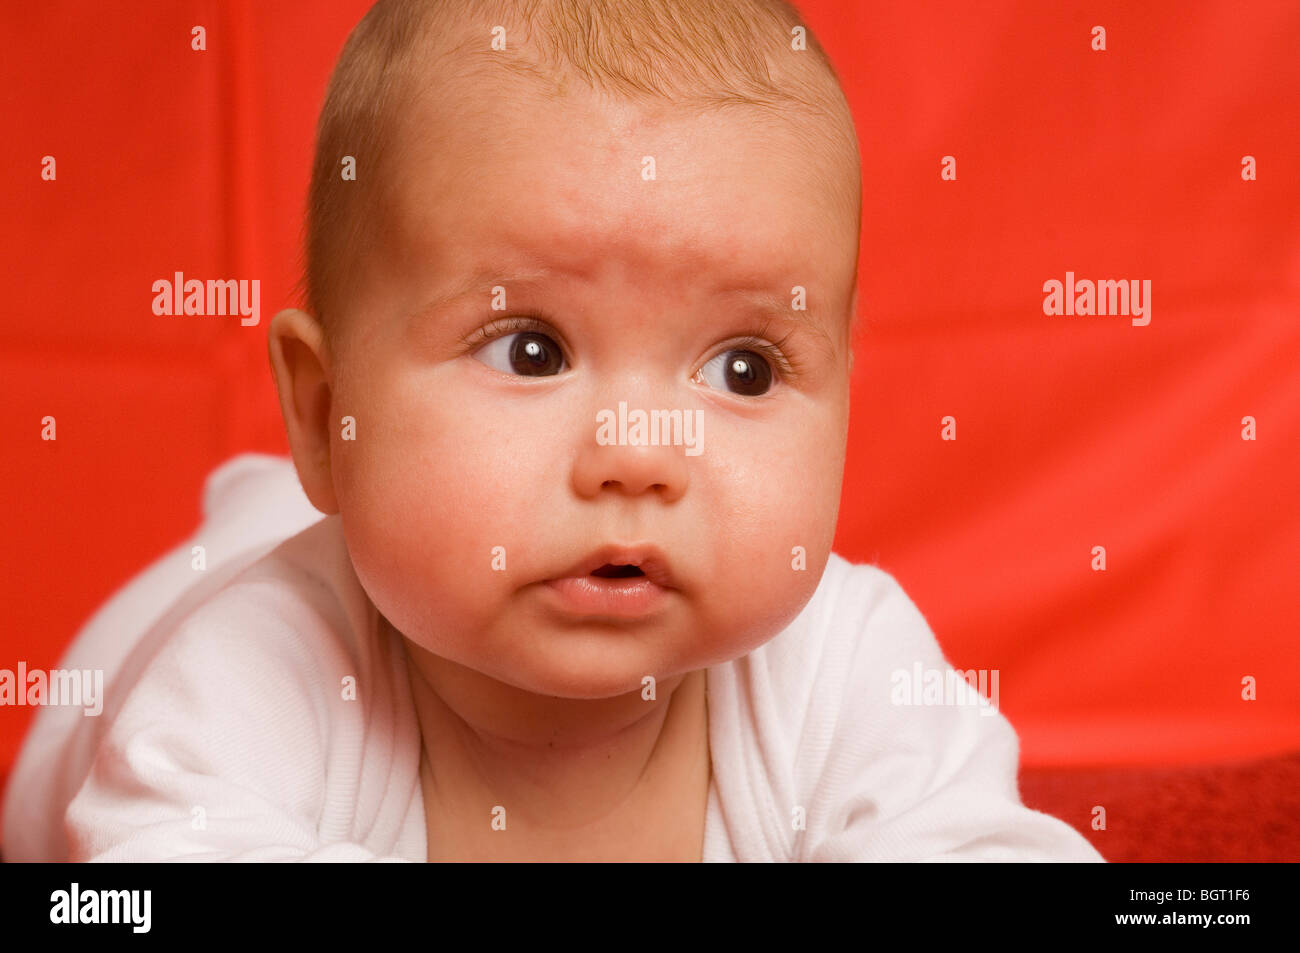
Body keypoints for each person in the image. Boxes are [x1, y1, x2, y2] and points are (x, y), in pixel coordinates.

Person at [4, 0, 1102, 862]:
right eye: (530, 349)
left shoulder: (838, 661)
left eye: (744, 367)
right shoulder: (267, 666)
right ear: (323, 411)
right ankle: (266, 499)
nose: (636, 451)